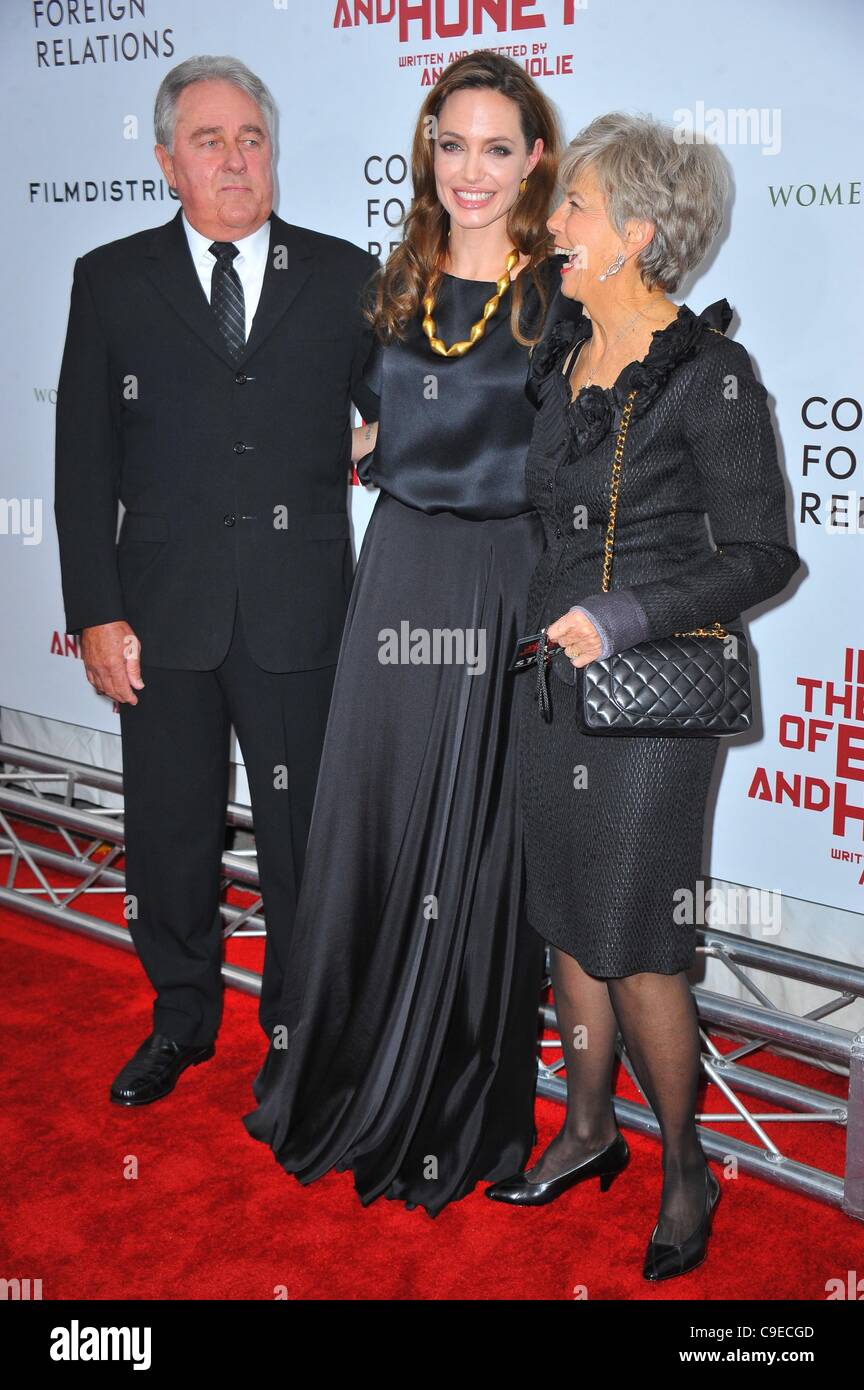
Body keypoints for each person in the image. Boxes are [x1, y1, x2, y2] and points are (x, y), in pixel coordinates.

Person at [241, 53, 580, 1216]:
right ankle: (342, 1074)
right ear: (426, 148)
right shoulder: (393, 281)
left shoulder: (560, 296)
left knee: (473, 840)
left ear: (535, 158)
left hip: (498, 582)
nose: (471, 171)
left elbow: (576, 467)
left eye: (497, 147)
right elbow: (377, 426)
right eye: (452, 144)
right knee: (374, 818)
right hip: (397, 572)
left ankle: (449, 1102)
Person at [484, 113, 801, 1280]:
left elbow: (763, 553)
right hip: (552, 684)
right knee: (569, 922)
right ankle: (584, 1125)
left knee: (639, 946)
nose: (552, 222)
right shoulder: (563, 353)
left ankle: (684, 1166)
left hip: (652, 706)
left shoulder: (709, 375)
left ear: (635, 234)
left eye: (573, 206)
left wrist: (626, 614)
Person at [53, 55, 380, 1105]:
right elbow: (81, 465)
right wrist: (96, 611)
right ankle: (183, 1018)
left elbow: (401, 416)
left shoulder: (344, 275)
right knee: (169, 836)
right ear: (166, 162)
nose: (236, 158)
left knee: (300, 845)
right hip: (161, 620)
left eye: (251, 138)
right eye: (210, 140)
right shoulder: (111, 279)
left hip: (302, 617)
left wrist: (383, 443)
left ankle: (297, 1035)